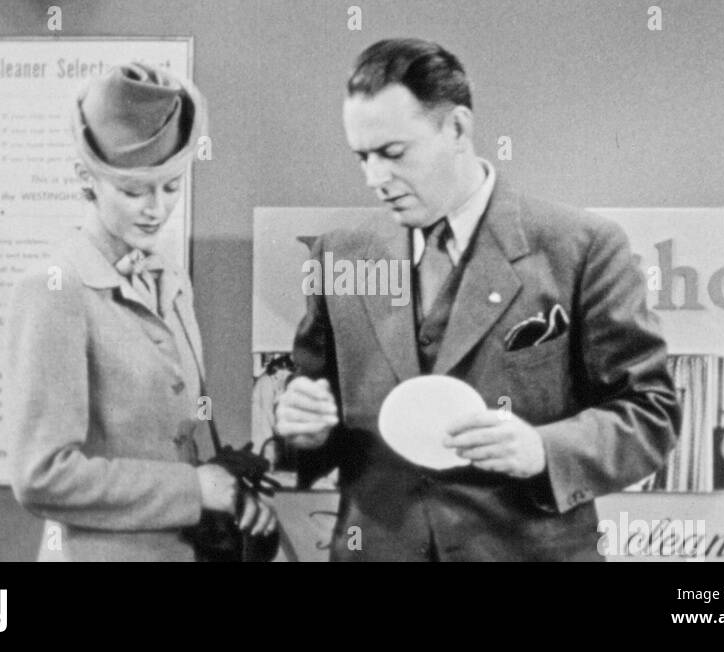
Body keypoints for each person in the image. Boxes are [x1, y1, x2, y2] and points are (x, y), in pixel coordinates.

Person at [275, 38, 680, 561]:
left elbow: (651, 411)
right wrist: (302, 427)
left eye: (394, 153)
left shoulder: (581, 248)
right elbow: (315, 408)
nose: (376, 179)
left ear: (459, 129)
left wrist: (543, 449)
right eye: (363, 157)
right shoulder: (340, 254)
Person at [7, 62, 276, 562]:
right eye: (134, 191)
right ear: (86, 181)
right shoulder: (53, 288)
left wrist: (229, 491)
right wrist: (194, 489)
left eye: (171, 186)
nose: (156, 208)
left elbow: (173, 440)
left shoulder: (170, 278)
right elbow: (40, 475)